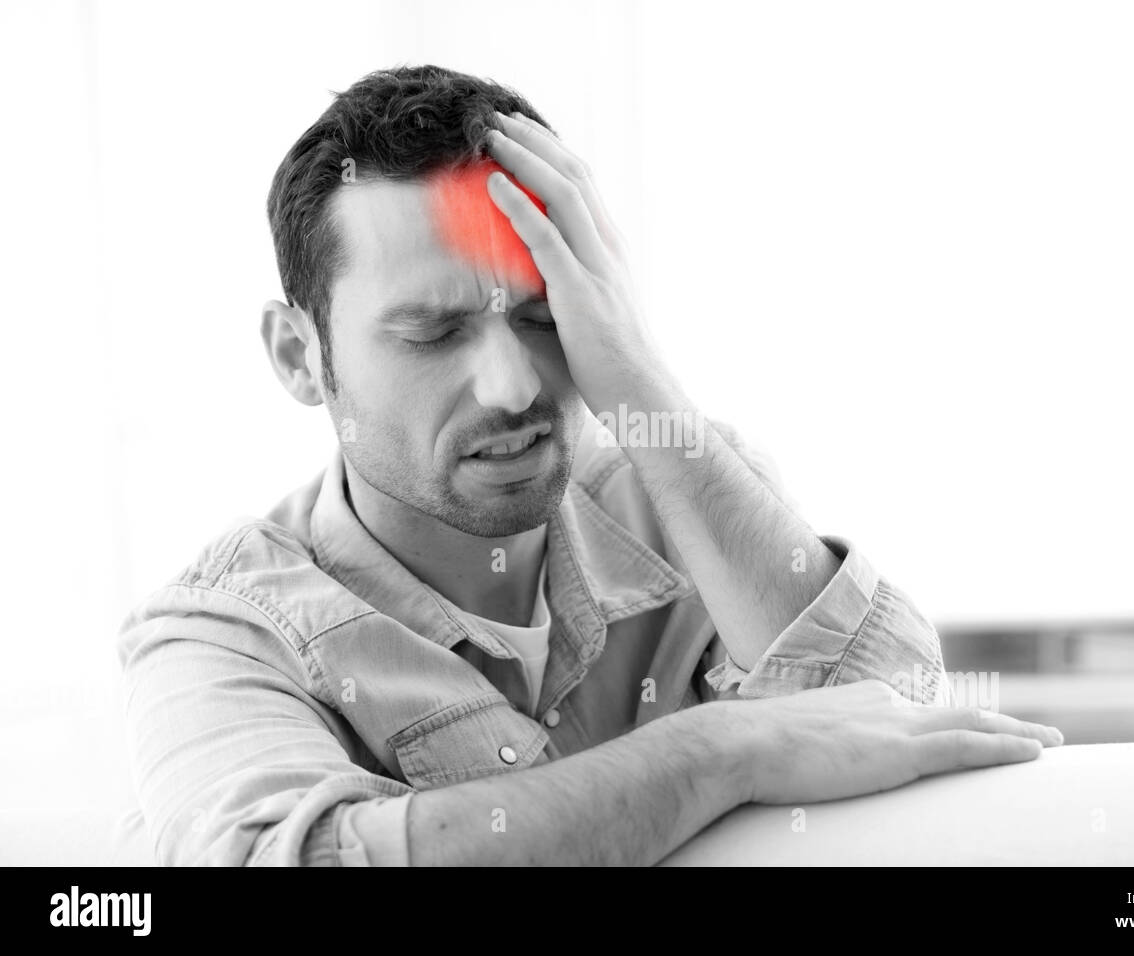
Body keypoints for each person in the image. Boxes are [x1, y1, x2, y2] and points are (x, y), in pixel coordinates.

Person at [116, 65, 1063, 866]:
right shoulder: (223, 631)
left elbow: (897, 725)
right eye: (433, 332)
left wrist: (638, 380)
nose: (510, 386)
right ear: (298, 356)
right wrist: (714, 753)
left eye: (543, 316)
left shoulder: (680, 493)